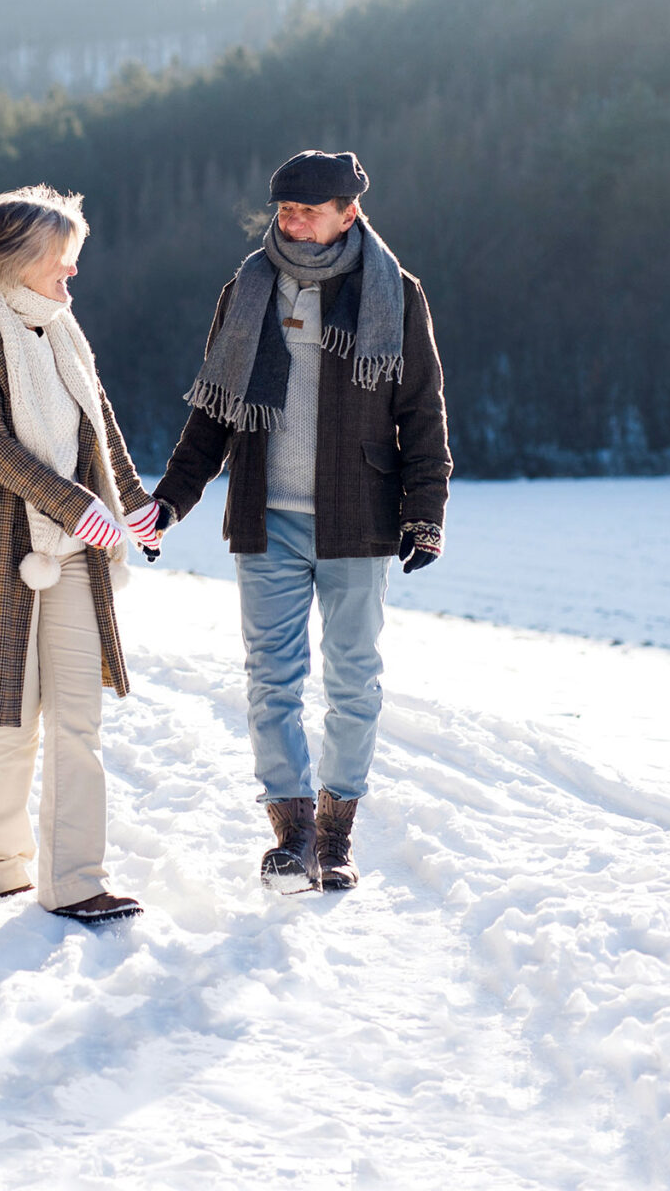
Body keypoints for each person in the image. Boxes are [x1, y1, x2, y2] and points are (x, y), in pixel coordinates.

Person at [151, 150, 450, 891]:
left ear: (349, 212)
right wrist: (168, 502)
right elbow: (212, 415)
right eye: (283, 209)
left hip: (360, 520)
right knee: (271, 681)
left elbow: (423, 413)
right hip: (266, 517)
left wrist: (425, 515)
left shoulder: (395, 293)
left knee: (354, 682)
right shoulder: (248, 287)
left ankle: (336, 834)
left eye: (308, 210)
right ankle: (291, 839)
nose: (290, 221)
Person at [0, 185, 165, 927]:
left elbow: (99, 425)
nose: (73, 273)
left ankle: (75, 880)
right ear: (19, 258)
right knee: (10, 713)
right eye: (63, 258)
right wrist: (80, 508)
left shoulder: (64, 328)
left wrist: (132, 502)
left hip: (75, 545)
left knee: (78, 716)